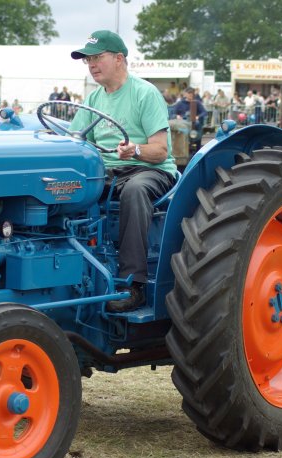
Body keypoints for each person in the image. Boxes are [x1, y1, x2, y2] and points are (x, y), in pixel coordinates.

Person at [69, 30, 177, 312]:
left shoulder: (144, 93)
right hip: (109, 172)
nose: (91, 65)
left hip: (148, 169)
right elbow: (75, 140)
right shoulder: (93, 100)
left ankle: (133, 283)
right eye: (87, 60)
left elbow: (160, 150)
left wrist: (136, 149)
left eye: (97, 57)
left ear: (119, 59)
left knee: (135, 191)